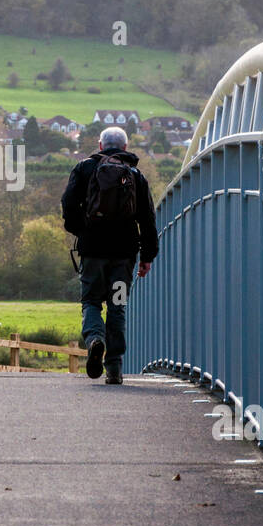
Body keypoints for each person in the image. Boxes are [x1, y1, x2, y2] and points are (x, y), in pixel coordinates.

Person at [61, 126, 158, 384]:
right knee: (117, 305)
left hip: (92, 252)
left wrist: (81, 230)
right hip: (124, 255)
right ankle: (113, 368)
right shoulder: (136, 176)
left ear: (100, 145)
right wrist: (147, 256)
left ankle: (95, 339)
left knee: (92, 302)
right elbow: (148, 219)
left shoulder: (84, 169)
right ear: (125, 148)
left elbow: (68, 204)